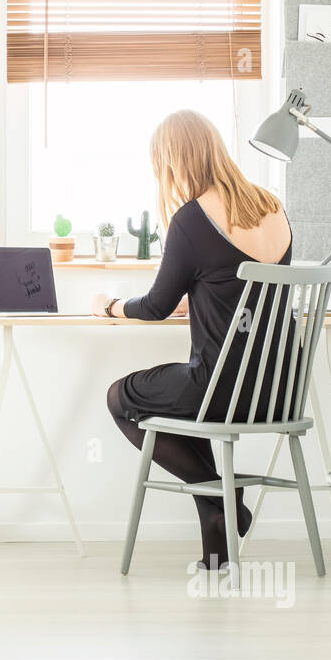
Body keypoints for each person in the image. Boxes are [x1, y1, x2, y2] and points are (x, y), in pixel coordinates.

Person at [92, 110, 293, 569]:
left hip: (221, 390)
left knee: (120, 398)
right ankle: (217, 531)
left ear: (176, 161)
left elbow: (155, 306)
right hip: (278, 391)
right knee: (182, 396)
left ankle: (221, 500)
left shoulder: (192, 217)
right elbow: (245, 287)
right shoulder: (273, 206)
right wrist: (200, 299)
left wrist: (110, 305)